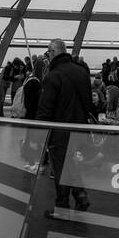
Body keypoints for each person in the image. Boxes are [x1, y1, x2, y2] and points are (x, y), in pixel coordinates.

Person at [36, 39, 94, 214]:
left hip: (60, 131)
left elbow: (45, 108)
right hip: (79, 128)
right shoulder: (82, 72)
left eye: (48, 52)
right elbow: (88, 102)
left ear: (53, 52)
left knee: (61, 168)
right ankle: (79, 196)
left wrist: (38, 135)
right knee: (69, 165)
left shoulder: (53, 76)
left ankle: (62, 206)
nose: (48, 56)